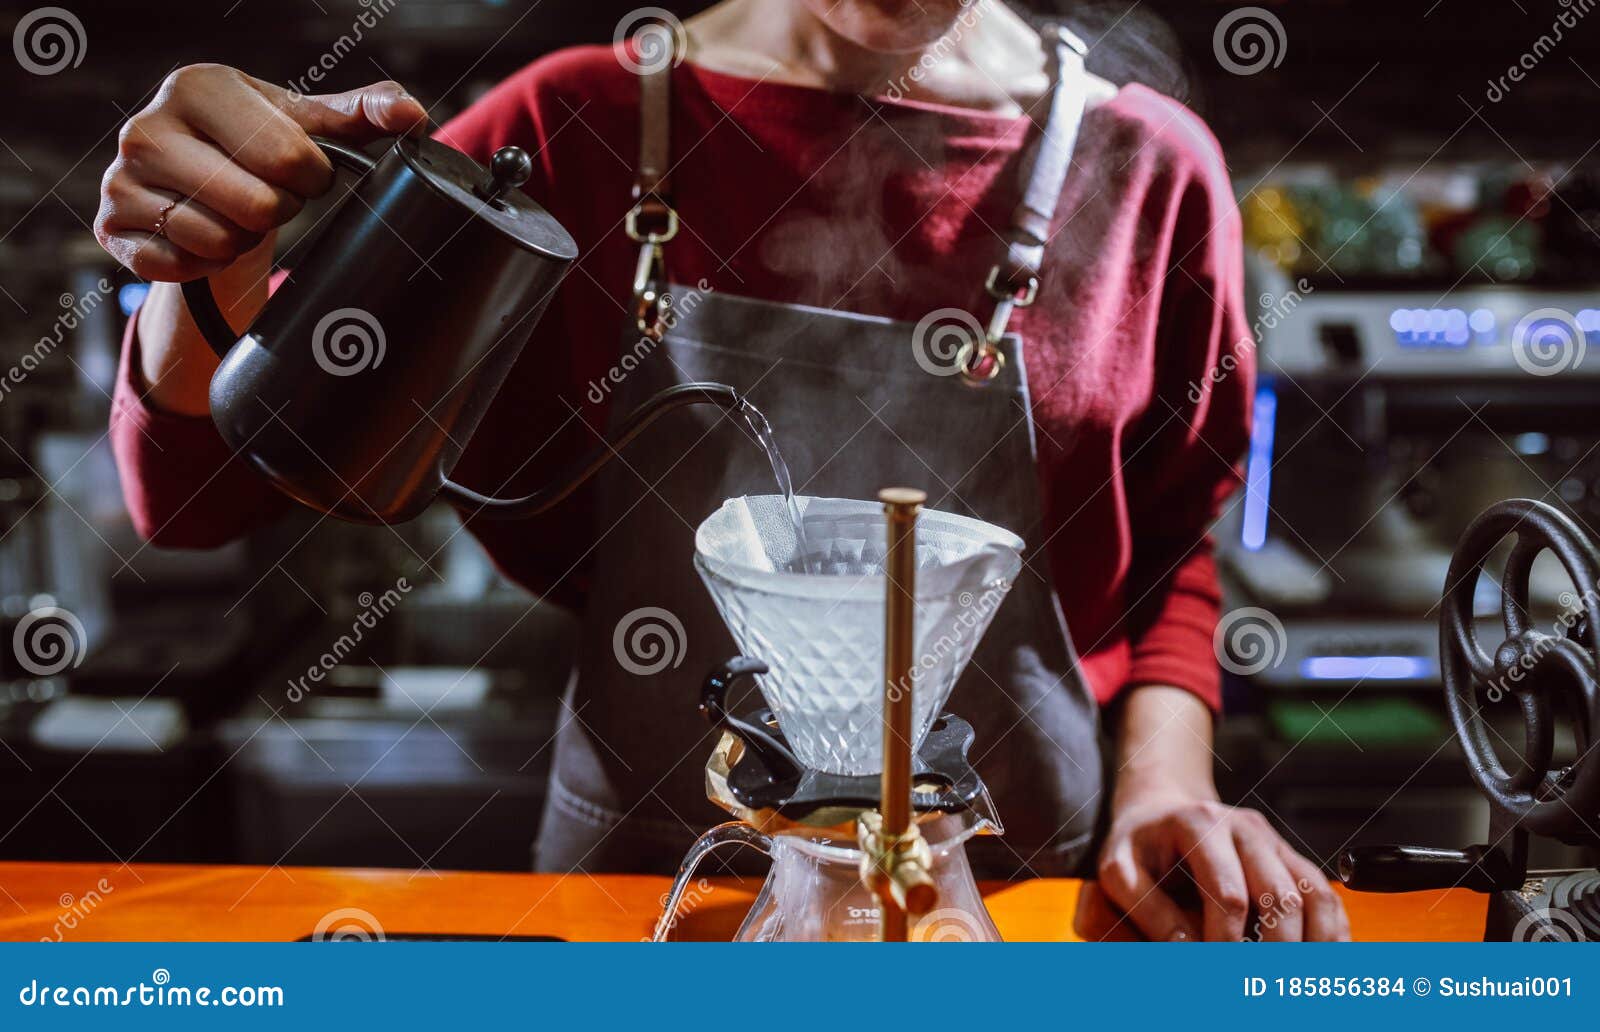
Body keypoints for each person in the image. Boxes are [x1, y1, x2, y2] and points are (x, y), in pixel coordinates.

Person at [93, 0, 1350, 941]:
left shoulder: (1149, 169)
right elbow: (208, 495)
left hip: (1011, 907)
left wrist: (1165, 789)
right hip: (647, 900)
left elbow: (1176, 544)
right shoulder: (572, 119)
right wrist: (199, 273)